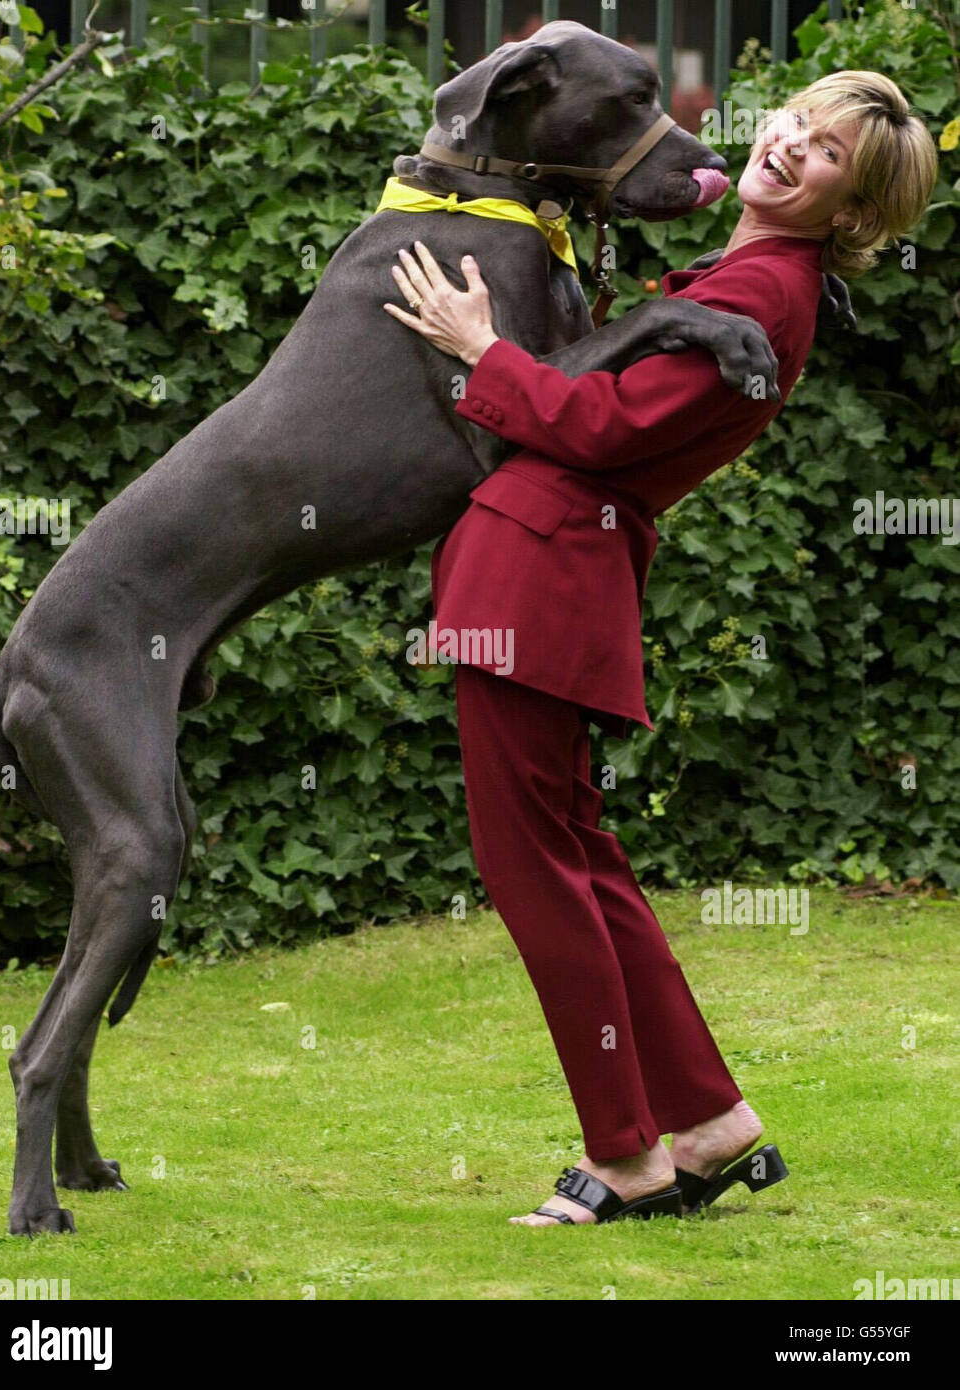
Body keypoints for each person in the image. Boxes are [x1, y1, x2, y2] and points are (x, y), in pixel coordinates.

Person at [383, 72, 937, 1227]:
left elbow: (603, 427)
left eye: (826, 155)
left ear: (850, 214)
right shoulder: (755, 279)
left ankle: (628, 1153)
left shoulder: (762, 290)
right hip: (549, 579)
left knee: (542, 874)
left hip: (539, 581)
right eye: (797, 122)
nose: (788, 147)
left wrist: (480, 347)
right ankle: (710, 1121)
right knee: (581, 862)